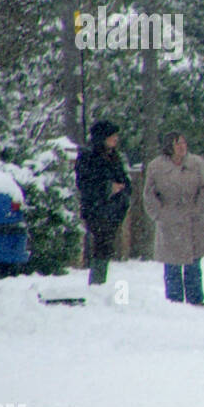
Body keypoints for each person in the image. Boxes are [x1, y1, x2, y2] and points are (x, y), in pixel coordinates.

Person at [142, 131, 204, 305]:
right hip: (169, 220)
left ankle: (196, 299)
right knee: (172, 265)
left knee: (194, 263)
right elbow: (149, 194)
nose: (182, 147)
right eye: (177, 144)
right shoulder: (156, 166)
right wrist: (160, 214)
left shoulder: (196, 163)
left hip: (192, 219)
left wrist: (200, 209)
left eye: (183, 143)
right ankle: (174, 301)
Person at [75, 119, 132, 286]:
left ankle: (100, 282)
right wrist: (107, 188)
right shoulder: (88, 157)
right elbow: (85, 184)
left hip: (114, 209)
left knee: (106, 247)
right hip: (97, 210)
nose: (115, 139)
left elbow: (125, 180)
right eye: (112, 136)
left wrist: (123, 189)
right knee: (101, 246)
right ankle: (97, 283)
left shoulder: (114, 157)